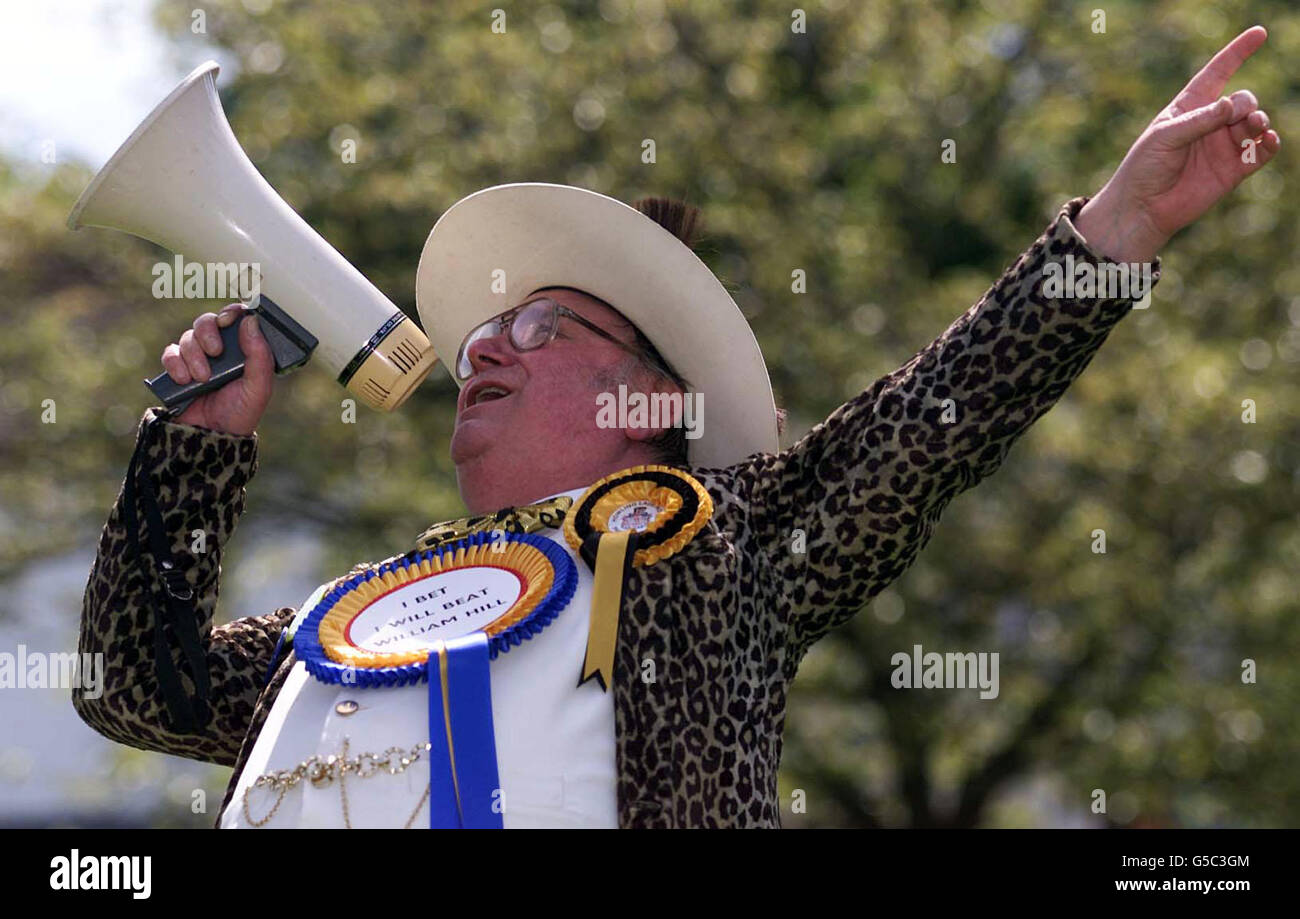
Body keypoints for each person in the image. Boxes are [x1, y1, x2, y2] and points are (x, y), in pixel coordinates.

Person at [74, 28, 1280, 828]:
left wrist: (1112, 232)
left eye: (543, 329)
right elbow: (132, 687)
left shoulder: (725, 548)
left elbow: (939, 417)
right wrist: (196, 446)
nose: (484, 346)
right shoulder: (355, 612)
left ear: (649, 403)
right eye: (489, 333)